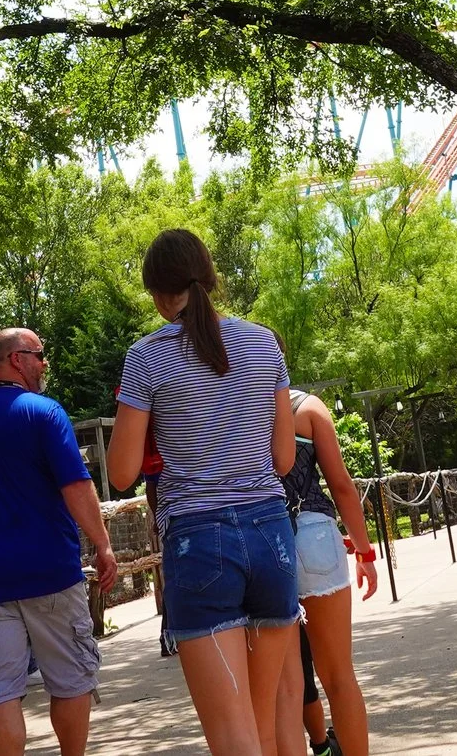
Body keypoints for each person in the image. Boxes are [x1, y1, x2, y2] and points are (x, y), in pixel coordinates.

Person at [108, 230, 299, 756]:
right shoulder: (263, 342)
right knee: (262, 729)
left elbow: (122, 472)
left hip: (199, 542)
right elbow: (284, 459)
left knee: (232, 740)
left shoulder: (146, 357)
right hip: (272, 535)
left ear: (162, 293)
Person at [0, 329, 119, 756]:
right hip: (51, 572)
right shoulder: (46, 414)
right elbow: (75, 485)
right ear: (16, 360)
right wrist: (102, 544)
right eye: (39, 355)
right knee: (70, 678)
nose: (44, 363)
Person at [274, 390, 376, 756]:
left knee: (284, 687)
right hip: (314, 532)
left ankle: (318, 747)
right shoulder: (308, 407)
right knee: (339, 676)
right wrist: (365, 552)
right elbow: (342, 487)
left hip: (264, 538)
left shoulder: (237, 404)